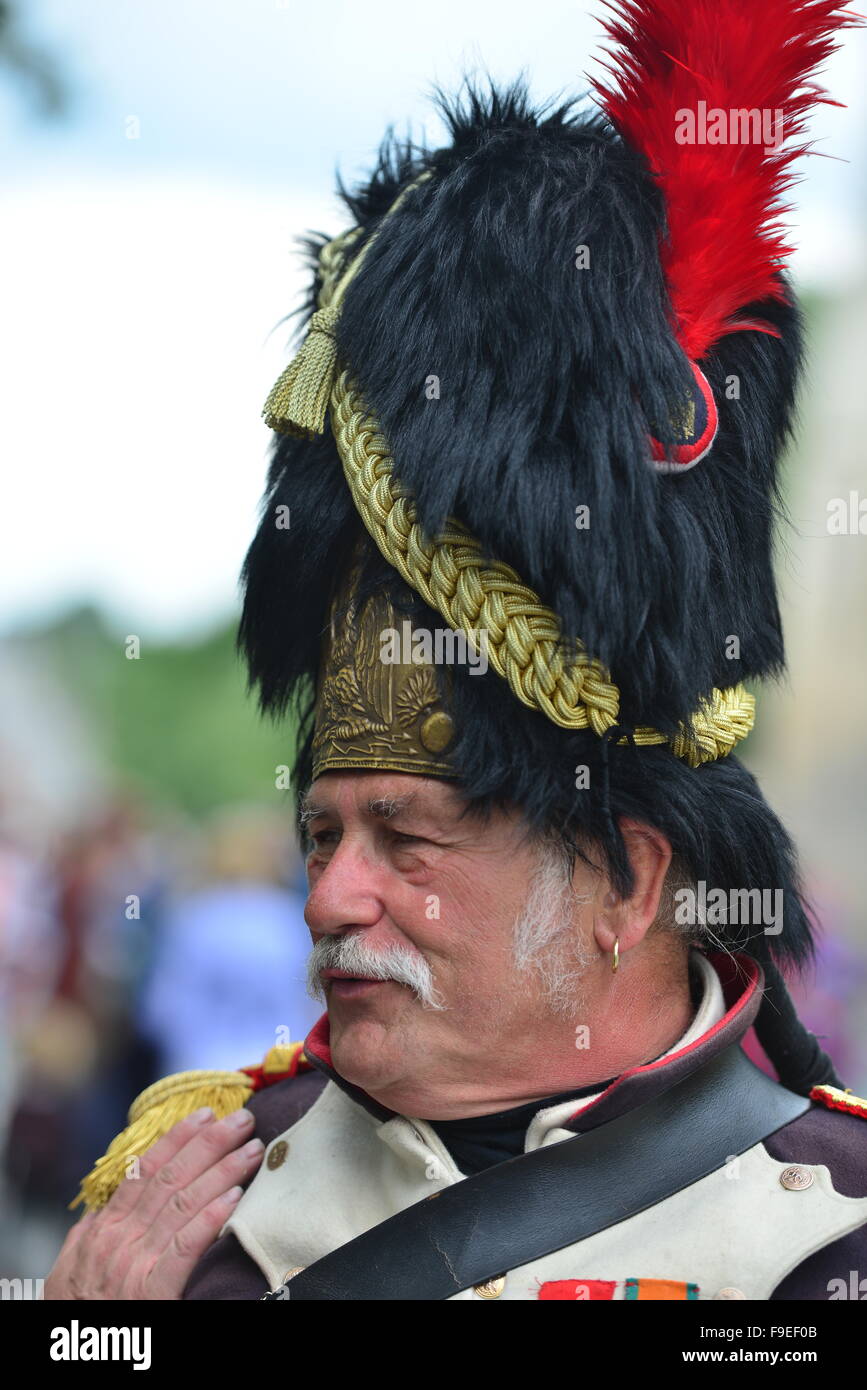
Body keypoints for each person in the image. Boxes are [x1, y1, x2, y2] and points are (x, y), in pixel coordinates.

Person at [45, 0, 867, 1302]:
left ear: (628, 885)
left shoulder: (834, 1234)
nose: (326, 898)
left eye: (405, 838)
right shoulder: (188, 1209)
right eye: (323, 836)